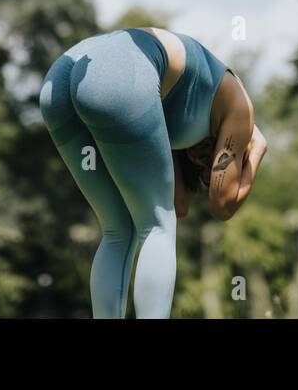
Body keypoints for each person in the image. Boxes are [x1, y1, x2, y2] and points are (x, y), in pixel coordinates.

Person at [38, 27, 268, 318]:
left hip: (62, 77)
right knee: (156, 226)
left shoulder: (173, 103)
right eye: (210, 161)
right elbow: (222, 204)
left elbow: (179, 204)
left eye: (203, 168)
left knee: (118, 229)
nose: (198, 160)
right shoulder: (241, 110)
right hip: (119, 73)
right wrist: (258, 150)